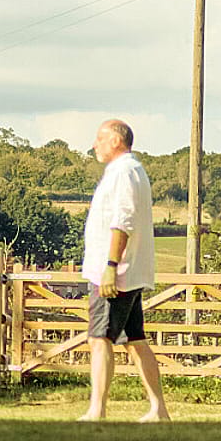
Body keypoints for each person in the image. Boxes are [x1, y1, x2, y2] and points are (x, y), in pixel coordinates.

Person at [79, 119, 170, 423]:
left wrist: (110, 267)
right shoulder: (128, 171)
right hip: (125, 270)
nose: (95, 144)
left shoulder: (124, 172)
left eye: (100, 138)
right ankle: (158, 409)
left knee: (99, 338)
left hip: (116, 273)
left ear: (116, 140)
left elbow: (123, 221)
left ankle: (97, 409)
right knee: (135, 340)